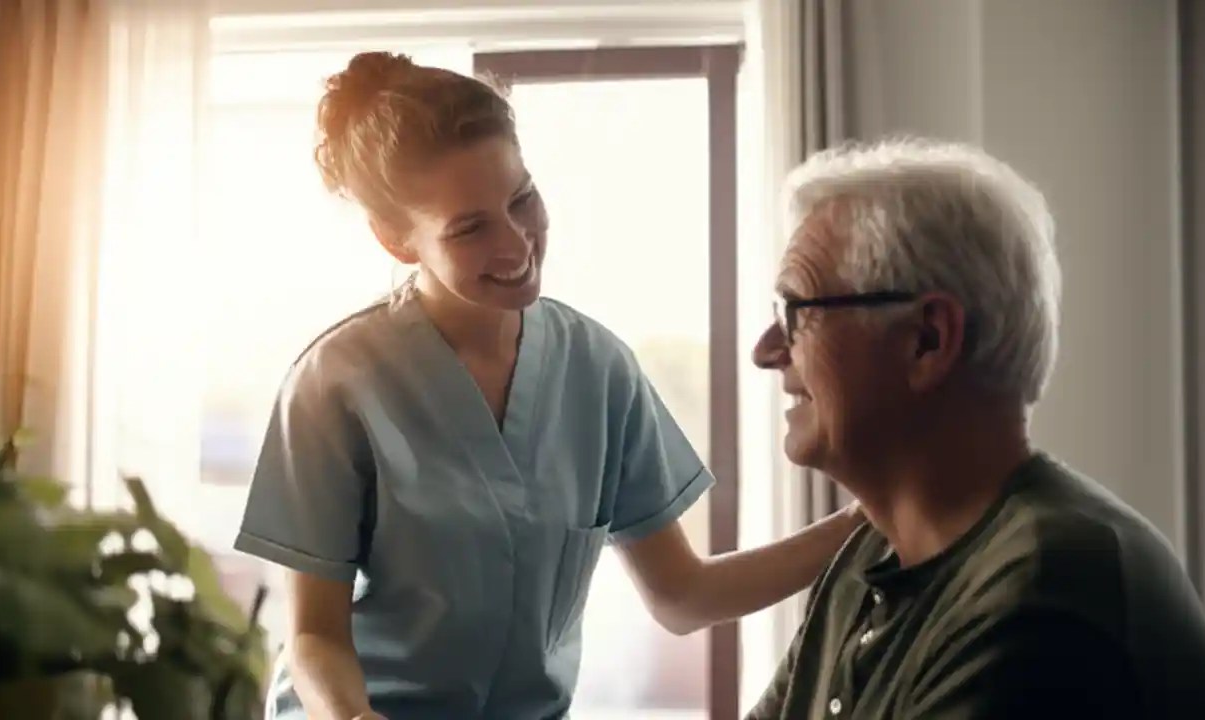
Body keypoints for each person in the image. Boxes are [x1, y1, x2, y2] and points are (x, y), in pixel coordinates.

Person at [233, 52, 864, 720]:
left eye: (522, 200)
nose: (516, 245)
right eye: (470, 228)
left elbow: (684, 596)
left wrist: (866, 519)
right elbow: (314, 637)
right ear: (398, 240)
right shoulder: (334, 385)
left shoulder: (598, 369)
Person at [746, 138, 1205, 719]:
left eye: (796, 312)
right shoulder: (867, 560)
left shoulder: (1047, 589)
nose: (766, 350)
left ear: (928, 340)